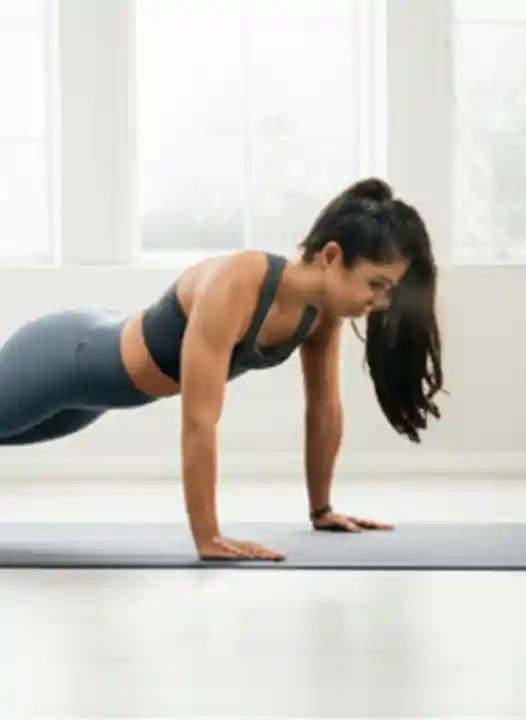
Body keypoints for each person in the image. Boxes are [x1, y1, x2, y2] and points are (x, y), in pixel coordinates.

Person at [0, 178, 444, 561]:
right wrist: (208, 536)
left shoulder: (321, 318)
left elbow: (324, 411)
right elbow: (200, 419)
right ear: (331, 256)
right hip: (67, 356)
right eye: (375, 284)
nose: (379, 302)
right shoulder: (240, 281)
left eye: (388, 291)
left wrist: (322, 511)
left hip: (92, 398)